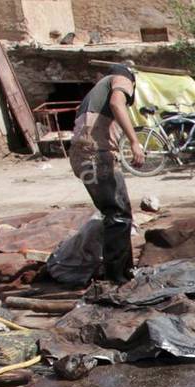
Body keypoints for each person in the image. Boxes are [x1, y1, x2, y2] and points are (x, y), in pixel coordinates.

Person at [68, 64, 142, 285]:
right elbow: (116, 104)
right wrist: (134, 141)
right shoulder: (120, 79)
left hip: (83, 157)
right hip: (97, 156)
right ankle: (117, 279)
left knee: (118, 213)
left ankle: (125, 271)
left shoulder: (93, 92)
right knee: (118, 215)